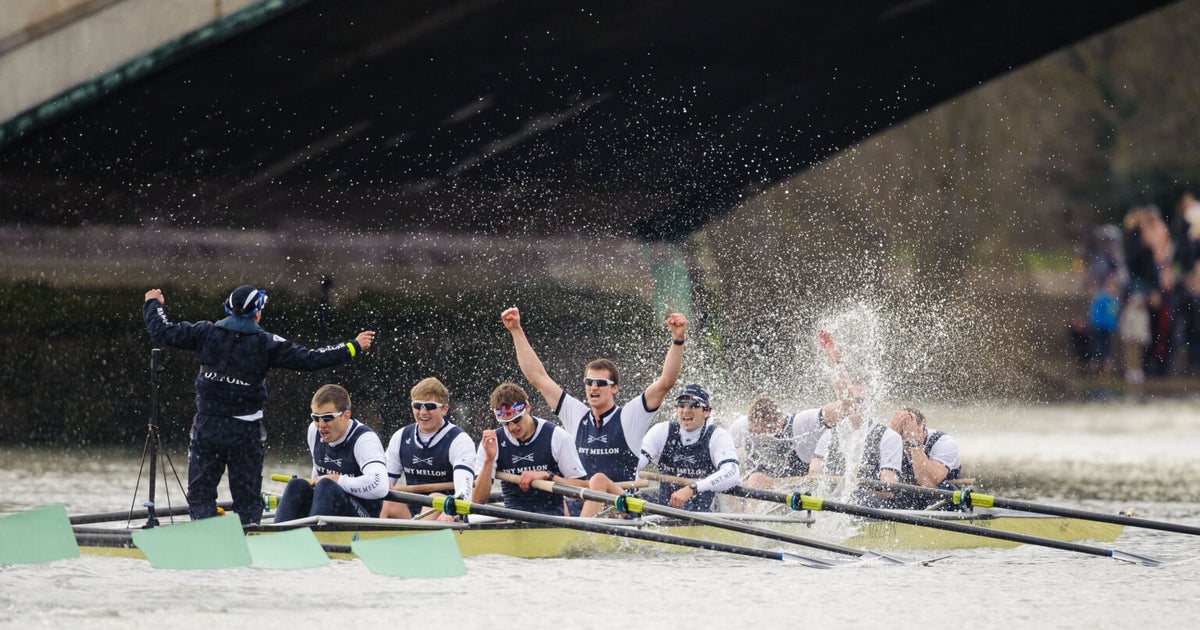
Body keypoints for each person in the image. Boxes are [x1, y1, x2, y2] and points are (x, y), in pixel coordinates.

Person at [142, 285, 375, 525]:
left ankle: (207, 535)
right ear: (257, 313)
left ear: (228, 308)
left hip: (207, 430)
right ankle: (248, 535)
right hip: (245, 434)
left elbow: (161, 330)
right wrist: (353, 346)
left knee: (200, 496)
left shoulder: (205, 332)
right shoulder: (267, 343)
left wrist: (153, 304)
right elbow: (312, 359)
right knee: (247, 501)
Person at [501, 306, 687, 513]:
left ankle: (580, 541)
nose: (593, 387)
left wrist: (678, 341)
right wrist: (516, 330)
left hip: (622, 506)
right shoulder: (576, 414)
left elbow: (665, 382)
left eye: (600, 382)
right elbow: (539, 378)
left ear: (614, 387)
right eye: (589, 382)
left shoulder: (629, 416)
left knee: (597, 480)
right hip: (582, 502)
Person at [472, 382, 591, 517]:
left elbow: (584, 490)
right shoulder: (492, 442)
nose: (512, 428)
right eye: (505, 423)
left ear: (527, 408)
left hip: (553, 520)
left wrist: (549, 476)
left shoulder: (557, 436)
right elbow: (477, 500)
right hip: (513, 520)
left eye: (517, 420)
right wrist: (489, 459)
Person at [273, 384, 389, 521]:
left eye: (327, 418)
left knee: (326, 485)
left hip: (362, 517)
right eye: (316, 418)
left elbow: (381, 487)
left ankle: (311, 535)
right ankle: (278, 534)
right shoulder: (313, 431)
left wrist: (339, 480)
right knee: (296, 484)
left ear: (346, 415)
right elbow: (317, 473)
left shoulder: (364, 440)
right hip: (329, 508)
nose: (321, 425)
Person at [380, 377, 477, 521]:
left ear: (444, 409)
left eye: (430, 406)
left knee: (435, 498)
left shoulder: (459, 441)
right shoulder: (400, 437)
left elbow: (464, 492)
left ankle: (413, 538)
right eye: (417, 405)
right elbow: (384, 484)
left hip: (446, 511)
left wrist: (452, 512)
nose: (423, 412)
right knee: (384, 502)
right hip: (410, 515)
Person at [637, 384, 740, 512]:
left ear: (707, 411)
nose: (686, 410)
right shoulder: (661, 431)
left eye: (694, 404)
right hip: (662, 512)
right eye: (681, 404)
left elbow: (733, 473)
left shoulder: (717, 436)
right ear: (676, 409)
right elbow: (634, 463)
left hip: (703, 516)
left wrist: (693, 487)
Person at [728, 396, 834, 490]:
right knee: (732, 480)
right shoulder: (741, 427)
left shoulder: (799, 425)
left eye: (761, 432)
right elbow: (723, 451)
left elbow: (827, 424)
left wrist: (817, 458)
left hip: (797, 475)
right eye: (753, 431)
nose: (756, 436)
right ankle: (732, 512)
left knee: (756, 480)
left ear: (778, 423)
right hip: (765, 474)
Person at [887, 407, 962, 509]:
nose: (905, 443)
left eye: (908, 437)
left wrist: (914, 442)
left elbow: (928, 482)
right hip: (907, 499)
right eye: (902, 437)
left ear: (924, 432)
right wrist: (889, 437)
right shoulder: (890, 439)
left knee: (942, 488)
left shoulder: (944, 442)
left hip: (942, 501)